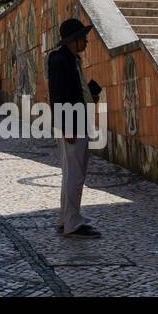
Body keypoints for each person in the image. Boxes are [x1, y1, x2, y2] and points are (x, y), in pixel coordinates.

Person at [46, 17, 102, 239]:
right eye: (83, 38)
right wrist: (66, 126)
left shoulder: (69, 59)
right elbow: (58, 94)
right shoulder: (60, 60)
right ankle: (72, 223)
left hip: (76, 119)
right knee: (75, 176)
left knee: (71, 174)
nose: (86, 42)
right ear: (74, 39)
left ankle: (66, 218)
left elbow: (73, 90)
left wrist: (90, 95)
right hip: (72, 122)